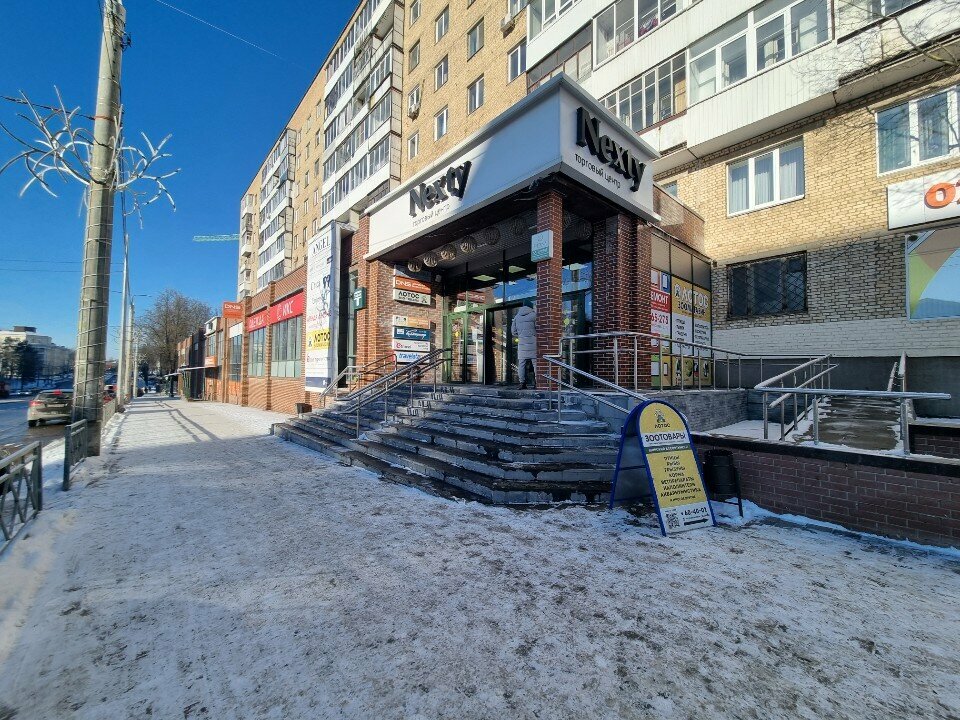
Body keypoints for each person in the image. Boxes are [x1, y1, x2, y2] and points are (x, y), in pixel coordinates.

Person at [511, 303, 537, 390]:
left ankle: (522, 383)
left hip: (522, 343)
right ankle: (537, 383)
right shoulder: (534, 315)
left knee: (521, 364)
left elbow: (513, 331)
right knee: (535, 364)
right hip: (533, 342)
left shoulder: (517, 317)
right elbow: (538, 328)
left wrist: (520, 335)